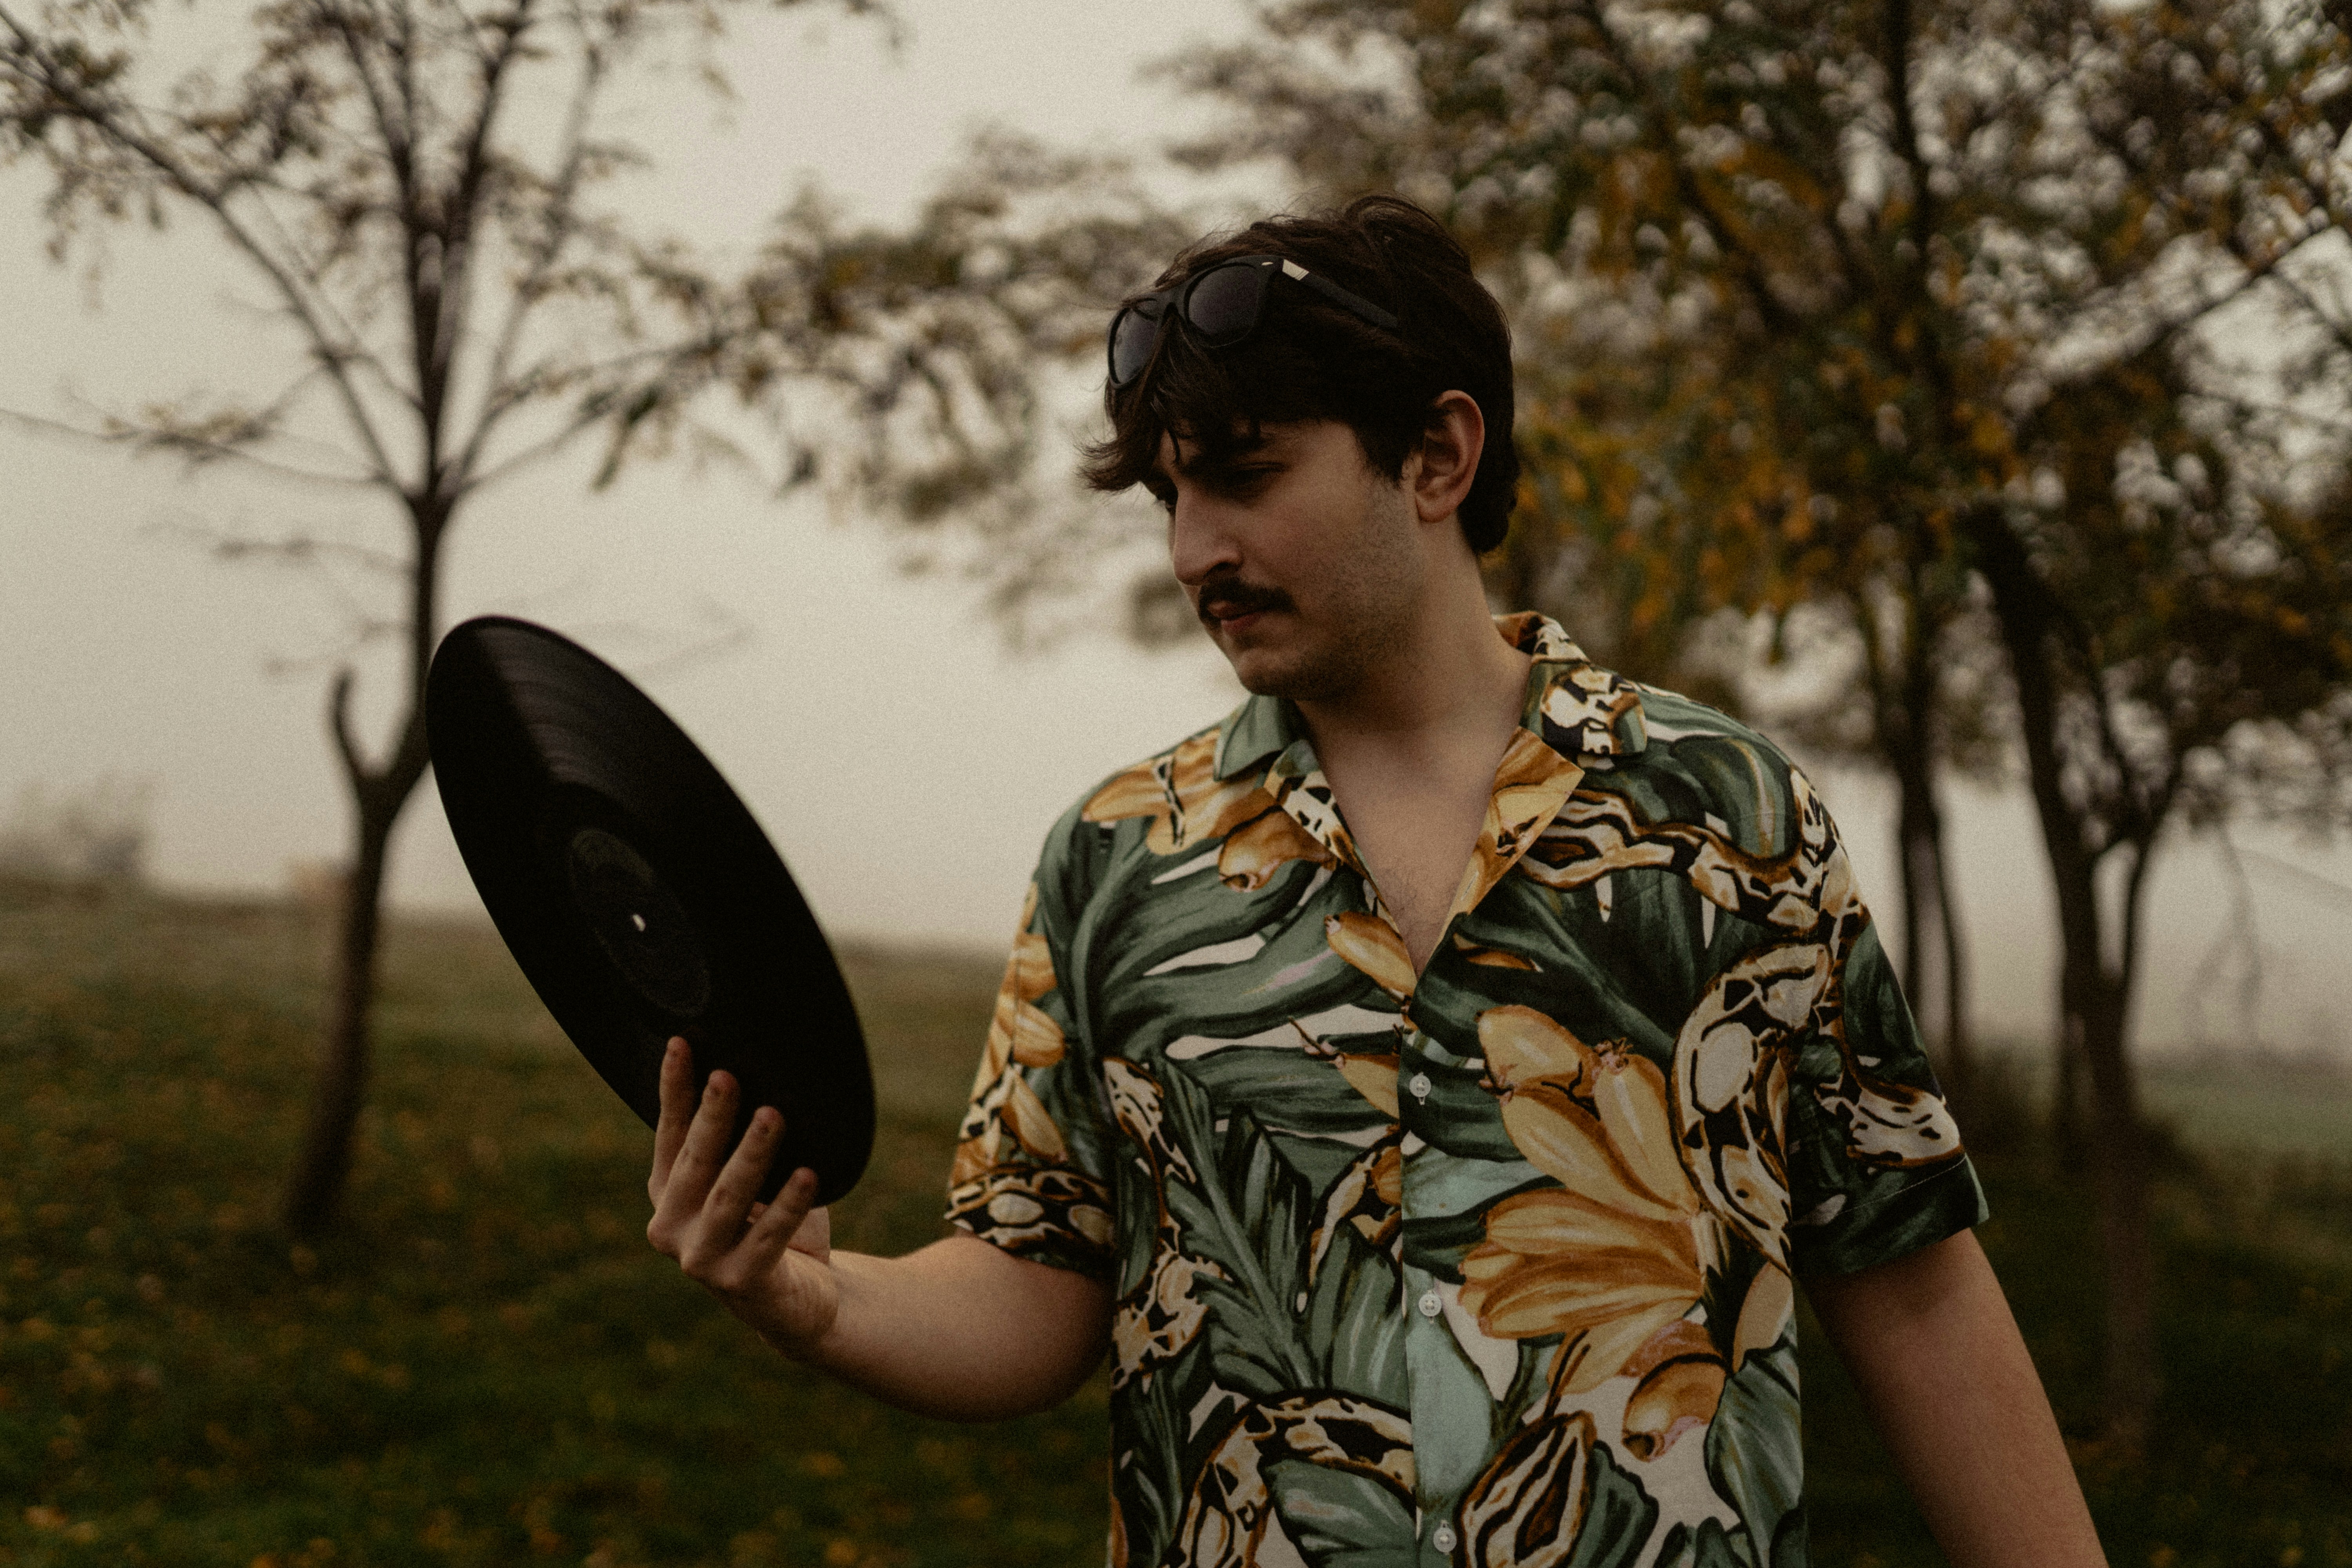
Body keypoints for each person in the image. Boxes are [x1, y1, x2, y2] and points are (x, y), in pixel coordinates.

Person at [643, 195, 2107, 1567]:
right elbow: (1032, 1286)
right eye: (1170, 495)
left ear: (1437, 457)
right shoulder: (1116, 858)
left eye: (1244, 476)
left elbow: (1914, 1287)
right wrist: (817, 1300)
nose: (1193, 551)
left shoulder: (1725, 818)